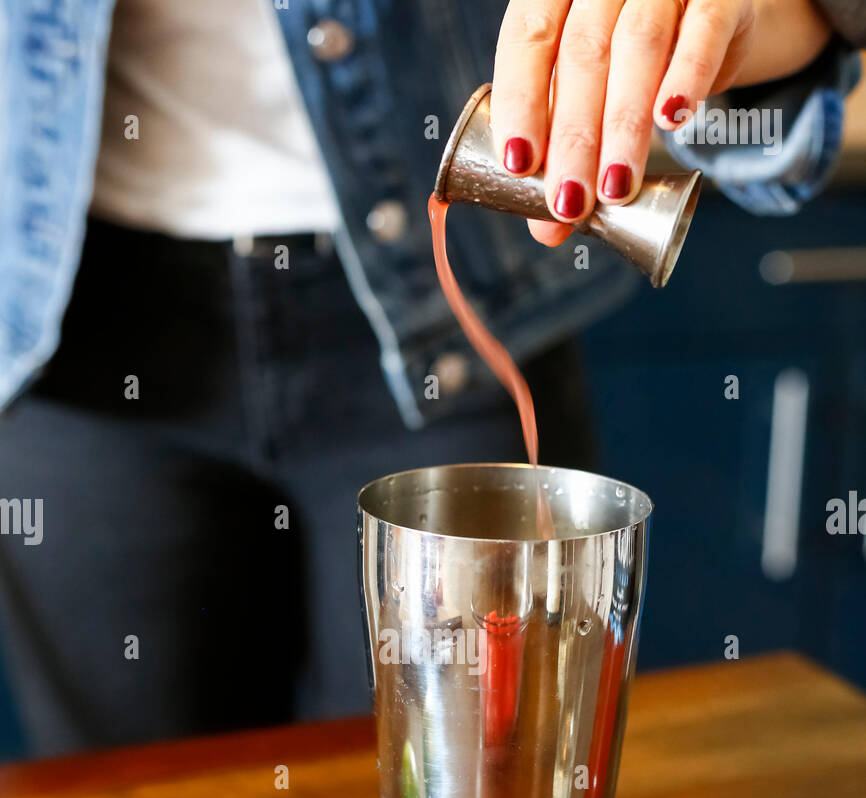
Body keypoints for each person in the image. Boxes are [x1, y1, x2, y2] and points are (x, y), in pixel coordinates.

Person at [0, 0, 861, 755]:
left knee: (480, 794)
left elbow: (789, 38)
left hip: (463, 320)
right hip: (74, 331)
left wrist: (765, 29)